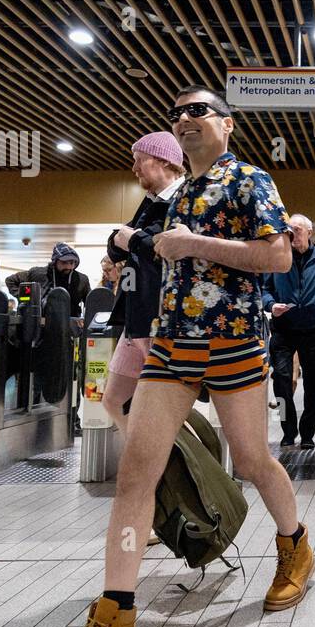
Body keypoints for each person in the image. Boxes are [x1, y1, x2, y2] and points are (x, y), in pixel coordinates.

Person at [22, 84, 311, 627]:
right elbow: (130, 244)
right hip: (170, 345)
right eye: (176, 113)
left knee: (254, 460)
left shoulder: (248, 181)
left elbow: (278, 254)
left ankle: (296, 549)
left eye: (198, 111)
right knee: (136, 475)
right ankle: (115, 624)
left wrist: (193, 245)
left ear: (227, 125)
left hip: (234, 343)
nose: (184, 119)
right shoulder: (173, 196)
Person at [101, 131, 186, 439]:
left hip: (159, 319)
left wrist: (132, 239)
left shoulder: (182, 200)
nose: (134, 168)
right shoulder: (150, 202)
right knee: (113, 401)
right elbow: (115, 246)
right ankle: (159, 460)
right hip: (134, 319)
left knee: (164, 407)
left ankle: (168, 465)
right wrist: (130, 240)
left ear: (163, 161)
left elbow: (162, 250)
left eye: (139, 160)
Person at [262, 213, 315, 450]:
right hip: (284, 329)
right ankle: (287, 429)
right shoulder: (278, 257)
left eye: (297, 229)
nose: (292, 234)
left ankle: (307, 433)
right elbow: (265, 289)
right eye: (289, 230)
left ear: (309, 232)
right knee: (281, 382)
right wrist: (271, 306)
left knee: (314, 385)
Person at [5, 242, 92, 317]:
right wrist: (27, 299)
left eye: (72, 263)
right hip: (40, 324)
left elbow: (90, 302)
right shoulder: (38, 273)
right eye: (64, 262)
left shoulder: (81, 280)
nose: (69, 266)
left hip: (69, 325)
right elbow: (11, 281)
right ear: (55, 262)